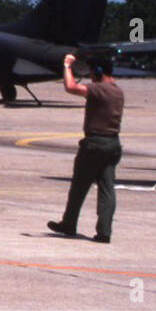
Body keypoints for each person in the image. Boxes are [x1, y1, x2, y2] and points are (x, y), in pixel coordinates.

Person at [48, 53, 123, 243]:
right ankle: (104, 231)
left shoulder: (100, 89)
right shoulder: (117, 91)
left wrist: (67, 66)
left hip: (94, 144)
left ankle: (69, 223)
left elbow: (71, 87)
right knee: (107, 189)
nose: (90, 76)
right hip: (112, 144)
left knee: (79, 187)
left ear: (98, 72)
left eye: (91, 72)